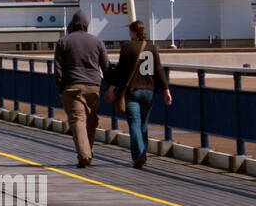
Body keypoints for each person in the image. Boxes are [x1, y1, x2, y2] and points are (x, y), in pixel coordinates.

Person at [105, 19, 172, 169]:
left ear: (133, 32)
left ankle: (139, 155)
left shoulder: (127, 47)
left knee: (134, 123)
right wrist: (166, 91)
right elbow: (159, 70)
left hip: (132, 91)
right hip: (149, 92)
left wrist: (111, 88)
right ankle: (143, 153)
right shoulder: (152, 48)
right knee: (143, 124)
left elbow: (121, 71)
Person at [53, 10, 110, 168]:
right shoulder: (97, 42)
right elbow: (106, 67)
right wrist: (111, 86)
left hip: (72, 86)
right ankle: (87, 152)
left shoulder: (63, 42)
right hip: (93, 87)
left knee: (78, 120)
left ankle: (84, 155)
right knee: (91, 121)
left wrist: (60, 88)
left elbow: (58, 70)